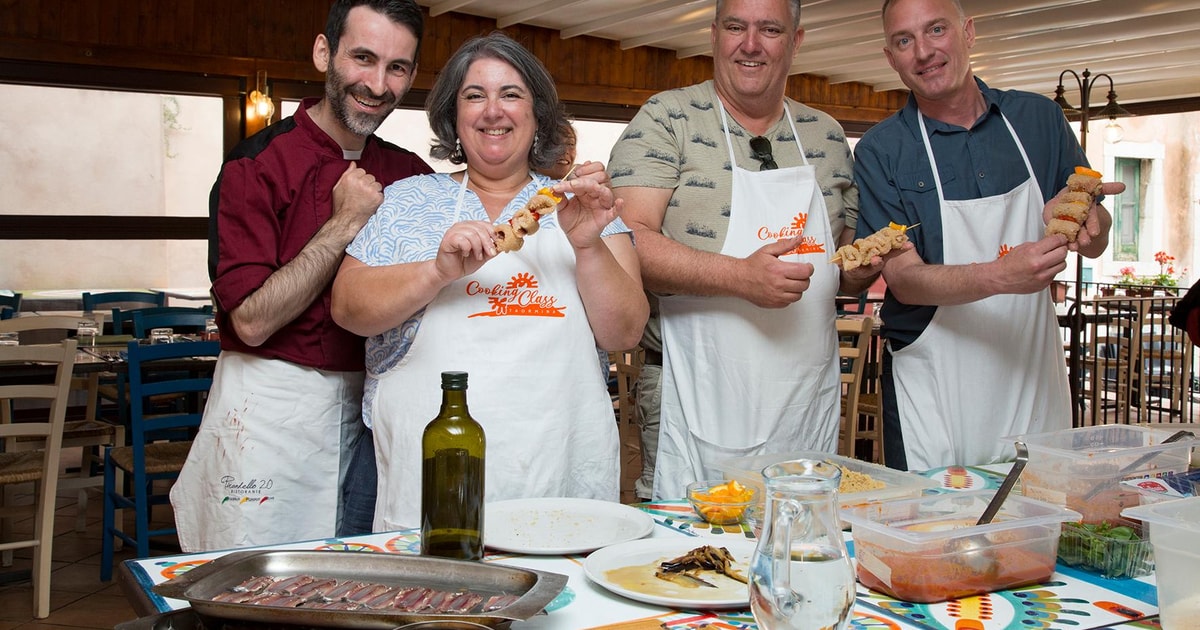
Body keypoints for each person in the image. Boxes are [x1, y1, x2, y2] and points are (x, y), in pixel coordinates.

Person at [330, 32, 649, 531]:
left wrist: (587, 244)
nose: (492, 111)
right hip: (434, 471)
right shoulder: (408, 201)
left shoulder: (584, 203)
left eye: (511, 94)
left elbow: (624, 332)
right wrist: (436, 272)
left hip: (557, 463)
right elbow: (348, 308)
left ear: (538, 113)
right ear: (453, 116)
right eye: (474, 95)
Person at [170, 0, 432, 551]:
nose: (378, 84)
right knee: (254, 579)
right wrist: (344, 224)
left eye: (397, 67)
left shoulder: (412, 174)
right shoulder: (255, 166)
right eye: (363, 58)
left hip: (376, 408)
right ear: (323, 53)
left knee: (360, 578)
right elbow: (253, 320)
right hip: (269, 409)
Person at [608, 0, 882, 501]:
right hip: (694, 388)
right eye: (736, 26)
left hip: (803, 395)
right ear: (714, 35)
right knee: (689, 561)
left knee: (802, 548)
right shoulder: (668, 118)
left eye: (769, 29)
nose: (750, 44)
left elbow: (842, 264)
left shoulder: (827, 136)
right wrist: (739, 277)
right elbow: (625, 242)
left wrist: (860, 270)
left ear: (795, 42)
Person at [853, 0, 1120, 471]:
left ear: (968, 32)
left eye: (936, 29)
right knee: (928, 534)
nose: (923, 51)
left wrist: (1089, 221)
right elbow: (906, 279)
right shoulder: (882, 150)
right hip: (931, 387)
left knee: (1037, 526)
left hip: (1031, 375)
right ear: (890, 57)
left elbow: (1094, 235)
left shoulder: (1039, 120)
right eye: (903, 40)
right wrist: (1000, 275)